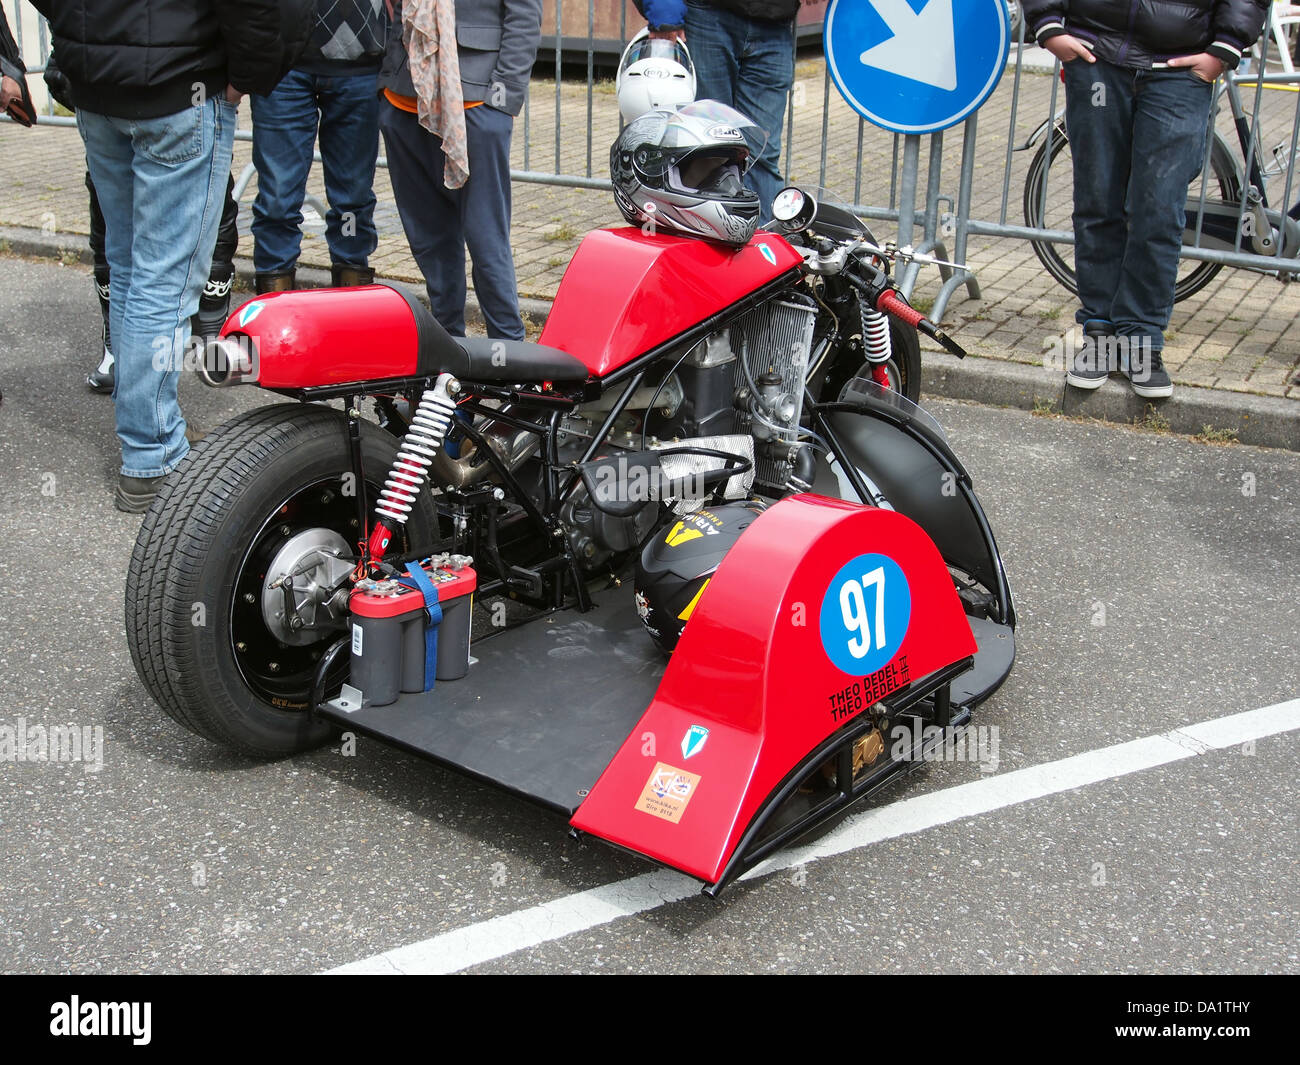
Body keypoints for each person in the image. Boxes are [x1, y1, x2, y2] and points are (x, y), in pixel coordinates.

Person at [30, 0, 297, 512]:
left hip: (100, 89)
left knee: (133, 269)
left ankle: (143, 440)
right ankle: (152, 456)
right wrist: (247, 75)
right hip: (179, 90)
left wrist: (80, 44)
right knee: (162, 281)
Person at [1023, 0, 1269, 399]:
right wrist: (1049, 26)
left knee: (1157, 209)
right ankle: (1100, 334)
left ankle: (1142, 341)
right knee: (1098, 203)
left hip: (1180, 70)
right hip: (1096, 55)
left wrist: (1225, 47)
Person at [43, 50, 240, 394]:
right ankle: (146, 423)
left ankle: (210, 336)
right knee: (139, 265)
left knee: (207, 213)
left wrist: (245, 74)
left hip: (179, 86)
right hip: (126, 89)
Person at [378, 0, 542, 341]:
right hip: (404, 99)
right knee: (429, 236)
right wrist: (386, 84)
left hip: (477, 103)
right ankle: (448, 347)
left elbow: (523, 15)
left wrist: (503, 102)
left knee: (486, 237)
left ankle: (510, 354)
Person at [251, 0, 386, 293]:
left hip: (362, 62)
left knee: (353, 199)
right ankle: (274, 317)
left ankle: (352, 313)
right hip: (281, 61)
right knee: (277, 198)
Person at [637, 0, 798, 220]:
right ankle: (701, 241)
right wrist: (666, 11)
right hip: (708, 16)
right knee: (703, 148)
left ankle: (761, 247)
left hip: (774, 21)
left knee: (763, 155)